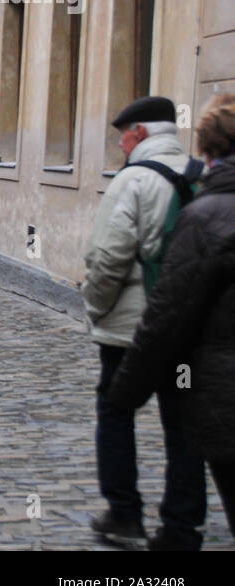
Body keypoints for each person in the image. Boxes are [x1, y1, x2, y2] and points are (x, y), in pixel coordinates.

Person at [108, 92, 235, 539]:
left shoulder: (206, 215)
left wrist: (125, 391)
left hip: (216, 376)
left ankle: (177, 529)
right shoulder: (201, 196)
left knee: (186, 432)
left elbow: (168, 313)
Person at [82, 96, 207, 550]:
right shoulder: (203, 176)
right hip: (190, 331)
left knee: (116, 414)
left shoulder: (133, 179)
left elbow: (108, 255)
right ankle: (182, 526)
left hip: (131, 328)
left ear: (139, 134)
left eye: (123, 134)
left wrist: (95, 306)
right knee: (184, 426)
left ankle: (125, 513)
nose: (119, 142)